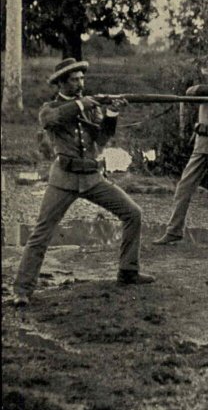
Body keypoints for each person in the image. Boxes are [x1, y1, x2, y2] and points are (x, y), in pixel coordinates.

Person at [12, 58, 155, 307]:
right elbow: (50, 121)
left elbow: (101, 139)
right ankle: (22, 289)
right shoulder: (50, 107)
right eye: (75, 80)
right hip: (64, 179)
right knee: (41, 234)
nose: (80, 83)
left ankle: (128, 271)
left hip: (91, 177)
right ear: (61, 83)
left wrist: (112, 113)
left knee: (133, 213)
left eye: (82, 79)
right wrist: (81, 104)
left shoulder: (91, 107)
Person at [153, 59, 208, 252]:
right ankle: (174, 231)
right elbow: (189, 92)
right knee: (183, 189)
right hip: (200, 147)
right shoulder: (205, 91)